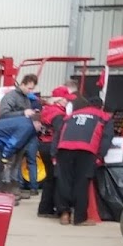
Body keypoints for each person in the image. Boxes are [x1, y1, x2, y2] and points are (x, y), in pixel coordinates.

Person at [52, 97, 114, 226]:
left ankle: (64, 214)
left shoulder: (70, 116)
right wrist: (100, 156)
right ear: (101, 107)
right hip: (87, 150)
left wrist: (54, 154)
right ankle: (80, 217)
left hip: (64, 148)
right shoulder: (104, 117)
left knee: (64, 180)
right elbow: (106, 139)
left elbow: (57, 134)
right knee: (82, 182)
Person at [0, 112, 44, 196]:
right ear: (37, 122)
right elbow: (14, 142)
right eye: (41, 126)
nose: (41, 129)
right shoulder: (27, 126)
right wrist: (5, 156)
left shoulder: (24, 122)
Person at [37, 86, 77, 217]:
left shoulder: (47, 110)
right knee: (56, 178)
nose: (68, 102)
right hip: (52, 146)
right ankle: (56, 208)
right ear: (59, 100)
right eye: (66, 99)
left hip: (43, 144)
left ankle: (45, 208)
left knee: (50, 178)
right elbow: (60, 132)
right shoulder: (58, 115)